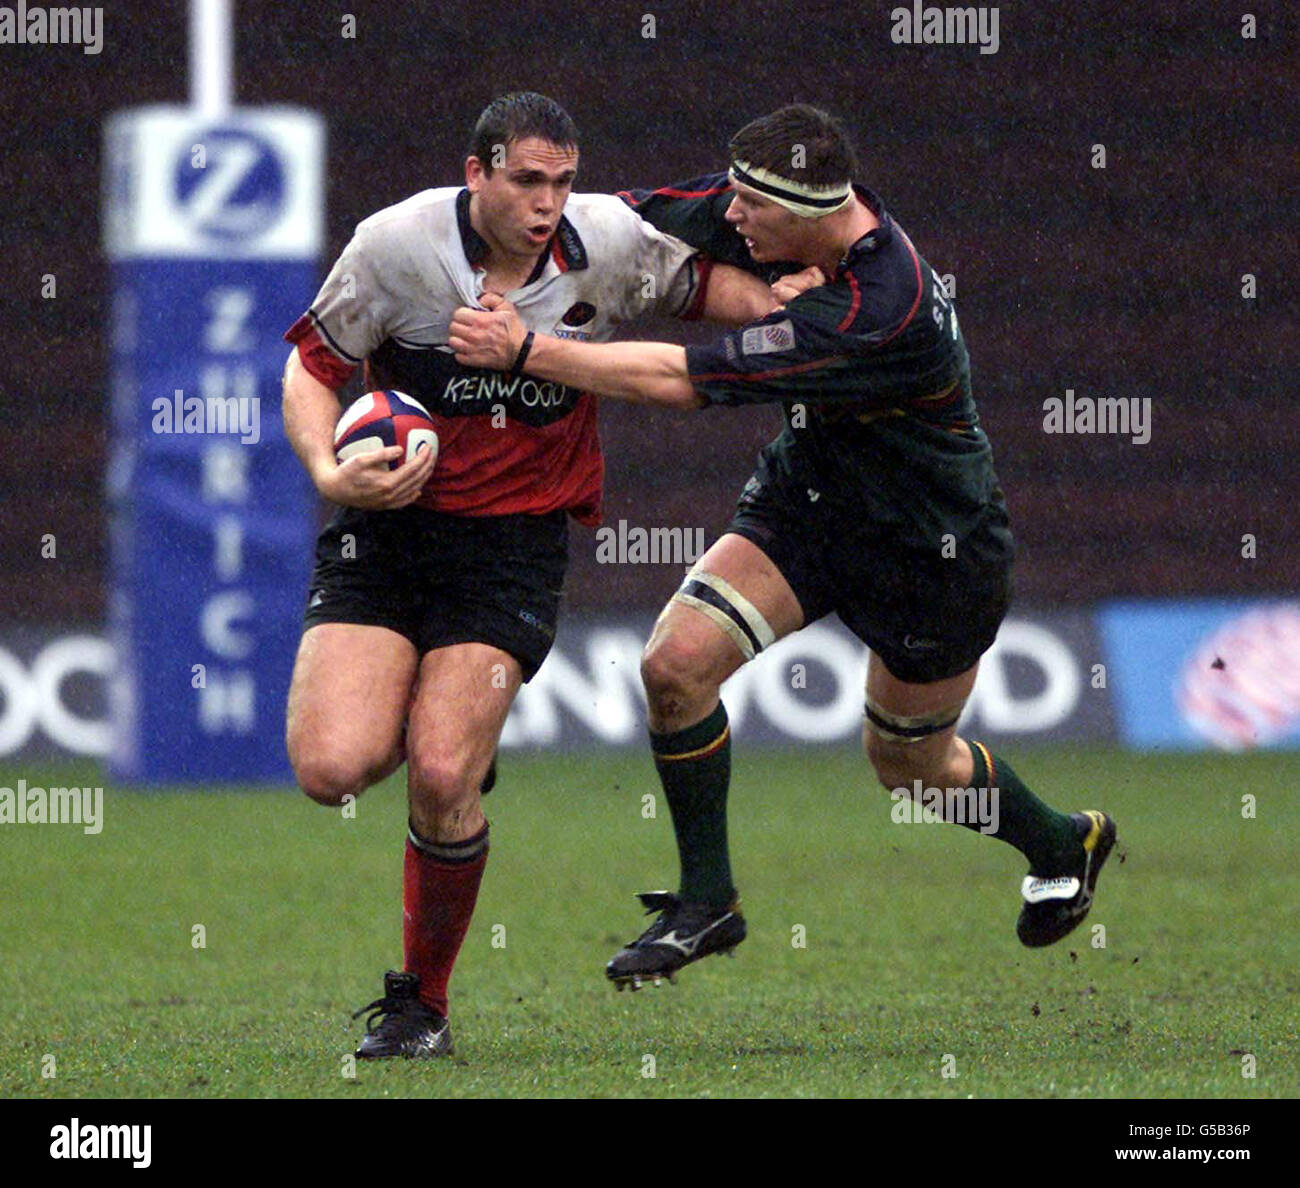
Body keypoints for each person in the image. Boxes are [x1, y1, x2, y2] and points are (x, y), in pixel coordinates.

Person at [449, 103, 1118, 991]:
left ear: (802, 215)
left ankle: (1063, 839)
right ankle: (707, 900)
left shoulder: (879, 311)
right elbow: (612, 219)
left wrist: (524, 348)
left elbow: (679, 380)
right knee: (675, 668)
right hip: (807, 506)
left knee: (912, 767)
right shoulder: (770, 203)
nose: (730, 220)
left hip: (932, 548)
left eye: (749, 212)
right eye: (733, 199)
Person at [281, 92, 779, 1055]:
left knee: (436, 772)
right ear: (478, 174)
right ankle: (458, 744)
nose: (547, 202)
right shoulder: (392, 246)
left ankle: (422, 1007)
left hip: (511, 547)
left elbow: (716, 294)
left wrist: (795, 313)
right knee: (330, 770)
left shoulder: (609, 243)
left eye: (561, 181)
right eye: (525, 182)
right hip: (386, 530)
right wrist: (326, 469)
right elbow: (310, 364)